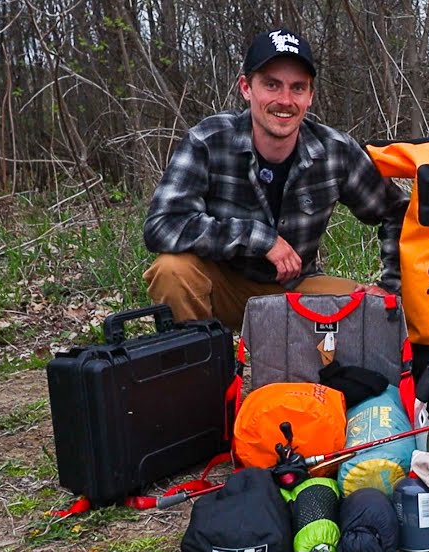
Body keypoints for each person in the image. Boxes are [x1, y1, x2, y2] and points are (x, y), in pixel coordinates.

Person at [143, 28, 408, 327]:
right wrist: (258, 238)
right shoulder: (209, 140)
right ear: (246, 87)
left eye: (297, 88)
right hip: (223, 288)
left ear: (310, 96)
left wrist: (390, 286)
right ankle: (200, 364)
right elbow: (161, 225)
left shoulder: (336, 151)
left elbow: (399, 212)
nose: (285, 100)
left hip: (297, 289)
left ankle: (316, 363)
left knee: (376, 312)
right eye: (272, 85)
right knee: (171, 270)